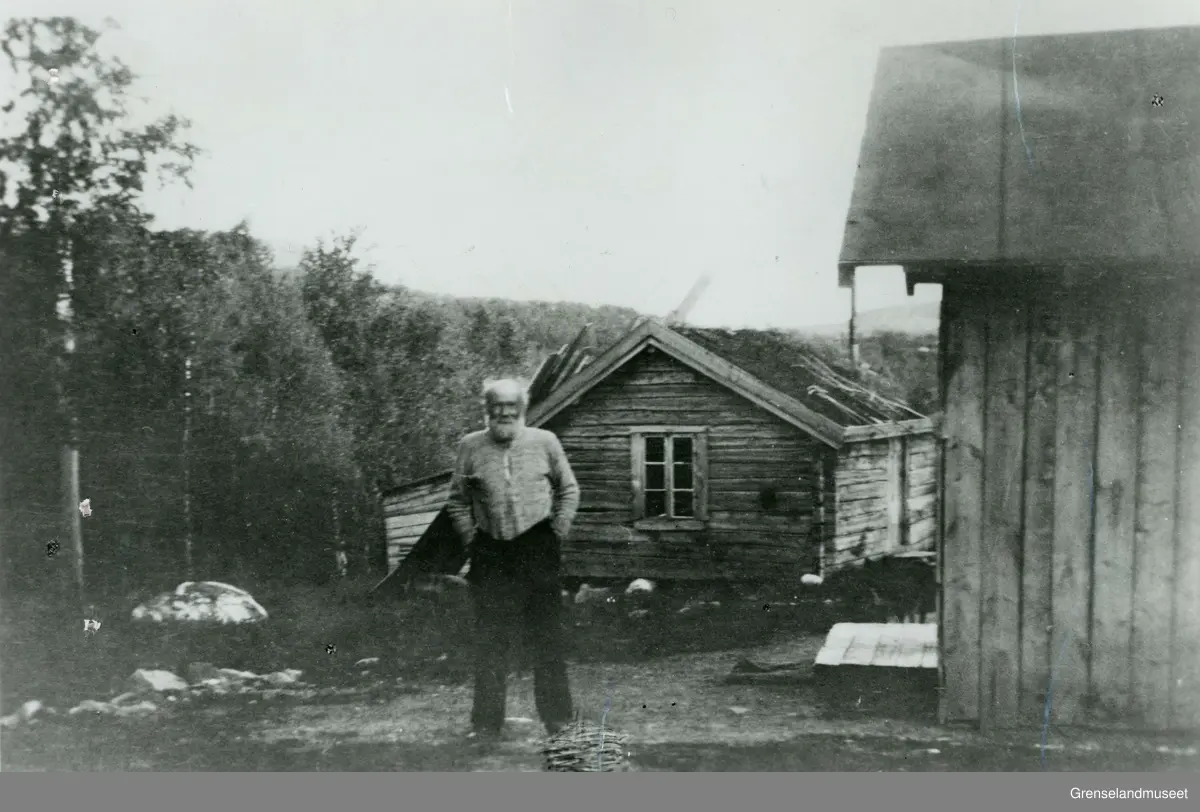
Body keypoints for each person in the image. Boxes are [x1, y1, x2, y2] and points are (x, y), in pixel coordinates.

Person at [445, 377, 581, 741]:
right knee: (491, 640)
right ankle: (487, 725)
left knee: (546, 637)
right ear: (486, 411)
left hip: (537, 546)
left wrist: (556, 531)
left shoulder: (545, 442)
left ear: (522, 410)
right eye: (496, 409)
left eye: (511, 408)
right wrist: (472, 539)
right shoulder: (470, 446)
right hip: (491, 550)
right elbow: (457, 500)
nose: (503, 414)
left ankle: (558, 720)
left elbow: (568, 488)